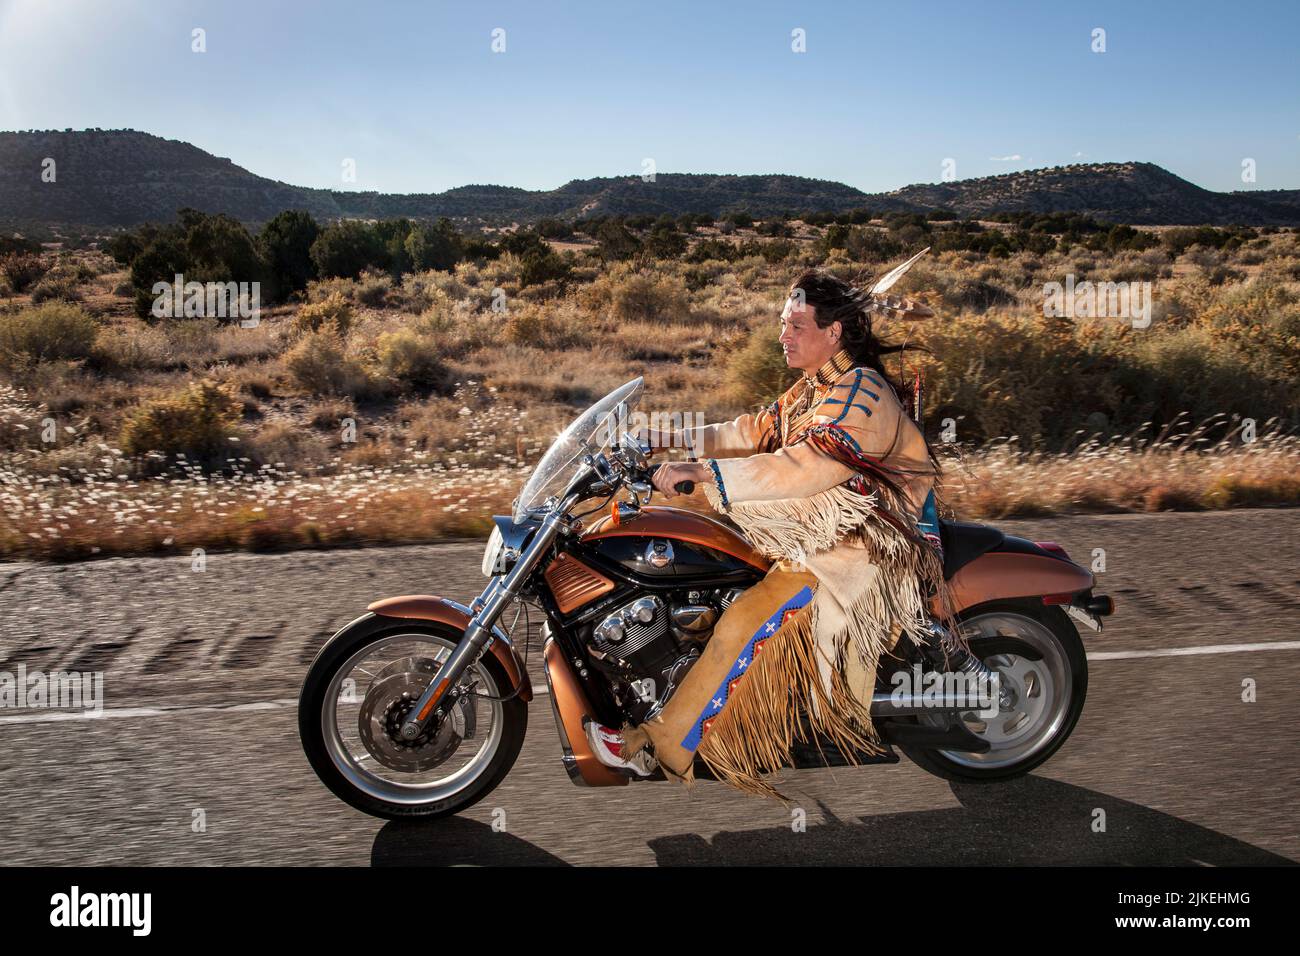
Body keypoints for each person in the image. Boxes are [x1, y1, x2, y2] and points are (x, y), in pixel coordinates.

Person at [584, 255, 960, 801]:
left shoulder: (862, 393)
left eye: (795, 325)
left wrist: (701, 473)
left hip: (861, 546)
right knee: (691, 541)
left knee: (743, 621)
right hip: (816, 527)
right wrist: (665, 437)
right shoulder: (815, 387)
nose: (782, 334)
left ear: (833, 332)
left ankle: (659, 742)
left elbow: (805, 466)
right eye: (782, 323)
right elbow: (750, 430)